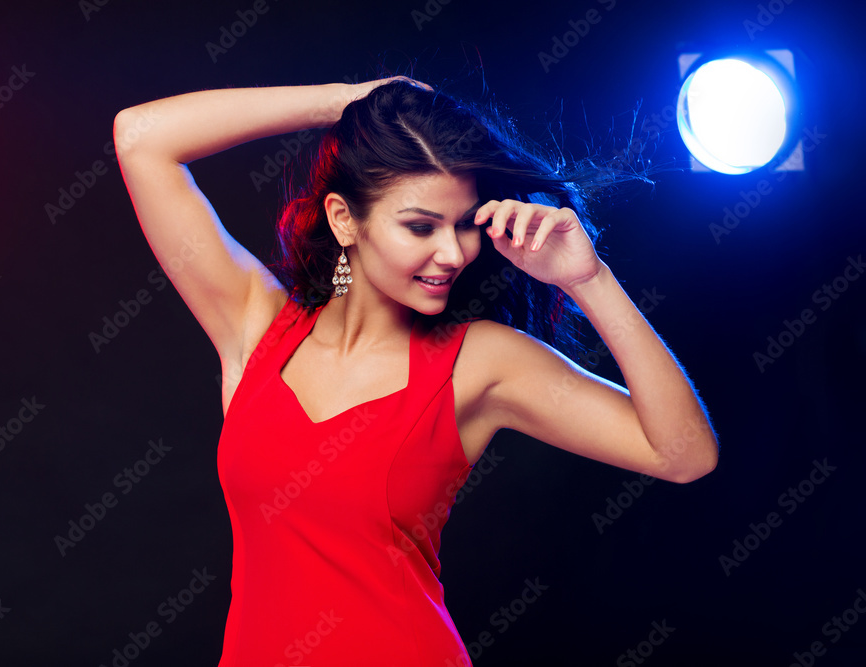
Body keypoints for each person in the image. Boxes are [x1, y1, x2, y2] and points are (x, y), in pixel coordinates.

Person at [113, 75, 719, 667]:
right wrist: (351, 102)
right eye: (421, 226)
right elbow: (141, 135)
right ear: (345, 218)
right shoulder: (255, 327)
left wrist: (588, 280)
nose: (453, 253)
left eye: (462, 224)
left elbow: (684, 454)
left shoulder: (478, 363)